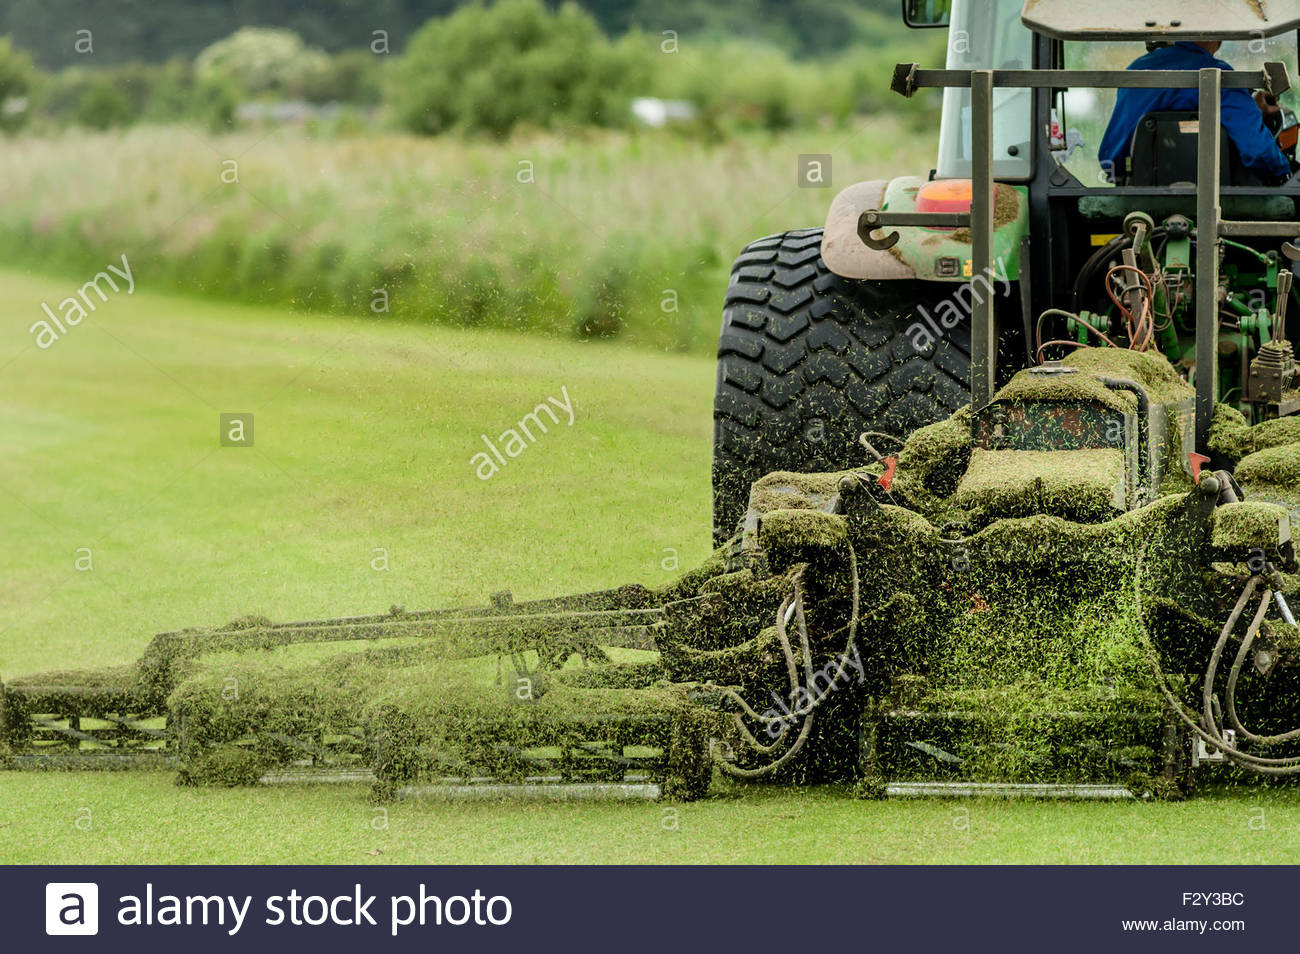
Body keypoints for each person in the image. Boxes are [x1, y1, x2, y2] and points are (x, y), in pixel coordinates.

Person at [1099, 40, 1291, 184]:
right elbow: (1259, 152)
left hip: (1142, 210)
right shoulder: (1221, 76)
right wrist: (1286, 172)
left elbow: (1110, 159)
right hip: (1220, 209)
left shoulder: (1137, 71)